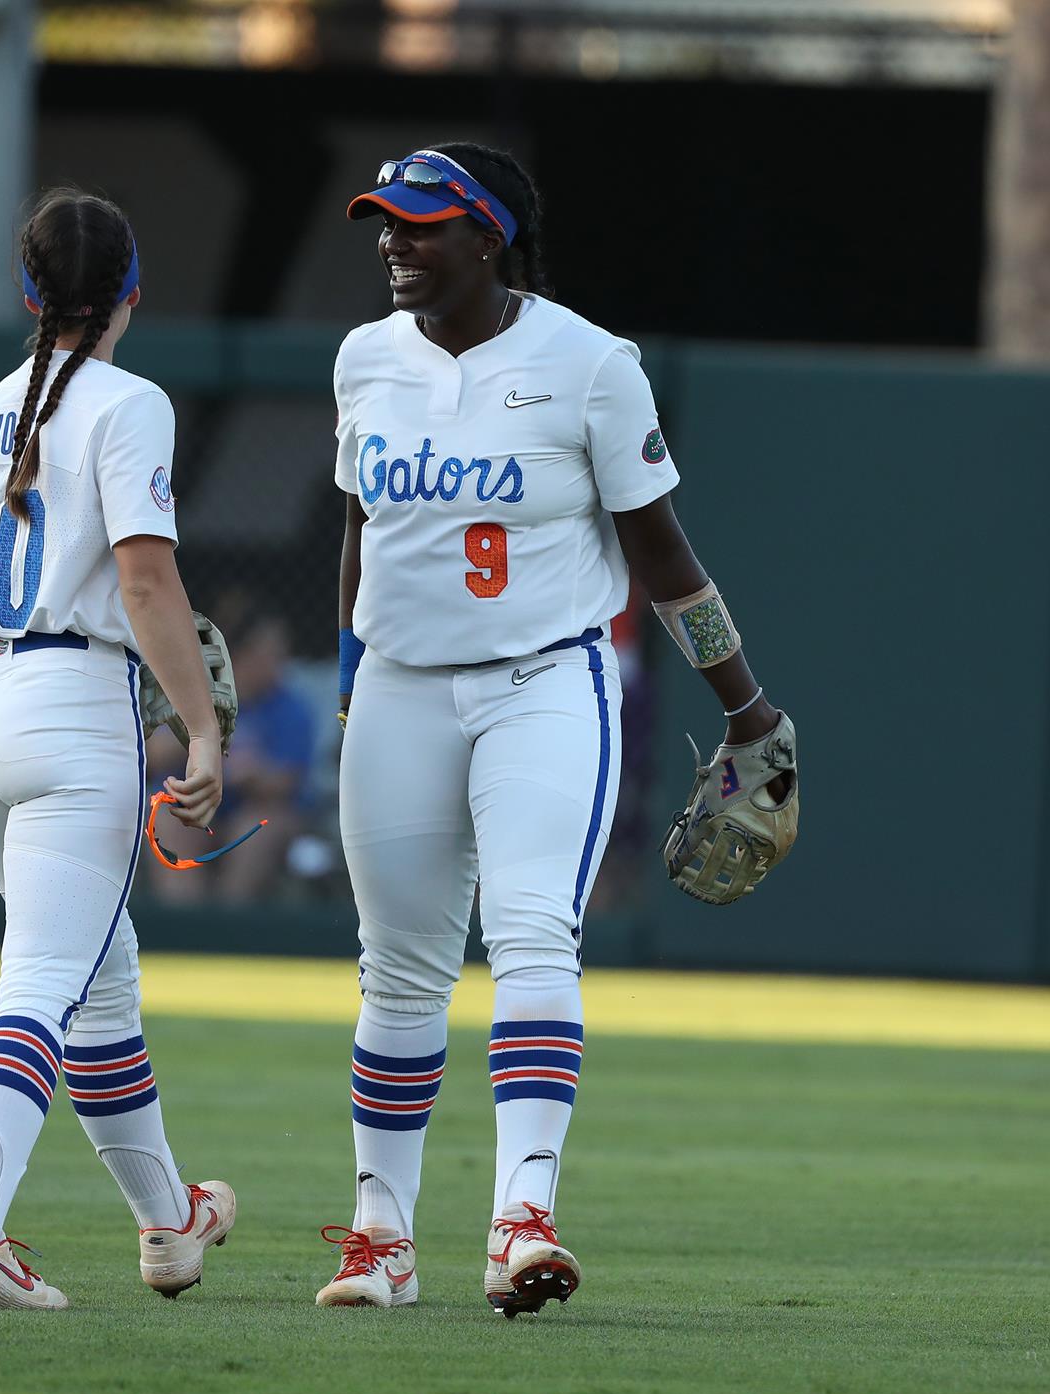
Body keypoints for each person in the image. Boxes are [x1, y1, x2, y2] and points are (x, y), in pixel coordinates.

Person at [319, 145, 796, 1313]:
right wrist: (345, 689)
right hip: (396, 686)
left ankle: (520, 1220)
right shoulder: (360, 359)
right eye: (384, 222)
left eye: (421, 225)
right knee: (396, 975)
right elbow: (356, 538)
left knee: (532, 930)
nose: (393, 241)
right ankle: (380, 1241)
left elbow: (663, 559)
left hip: (543, 683)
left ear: (487, 238)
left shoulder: (588, 362)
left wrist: (747, 705)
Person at [0, 187, 236, 1310]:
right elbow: (145, 582)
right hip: (71, 705)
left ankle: (168, 1225)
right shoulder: (129, 402)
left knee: (97, 980)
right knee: (48, 979)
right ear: (130, 294)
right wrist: (198, 723)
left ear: (26, 293)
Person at [143, 611, 316, 904]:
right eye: (269, 653)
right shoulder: (195, 692)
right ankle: (186, 932)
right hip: (192, 805)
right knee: (168, 822)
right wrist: (196, 739)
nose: (279, 662)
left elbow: (286, 784)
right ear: (240, 654)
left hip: (254, 807)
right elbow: (152, 758)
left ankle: (229, 930)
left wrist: (250, 773)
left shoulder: (290, 707)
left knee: (255, 830)